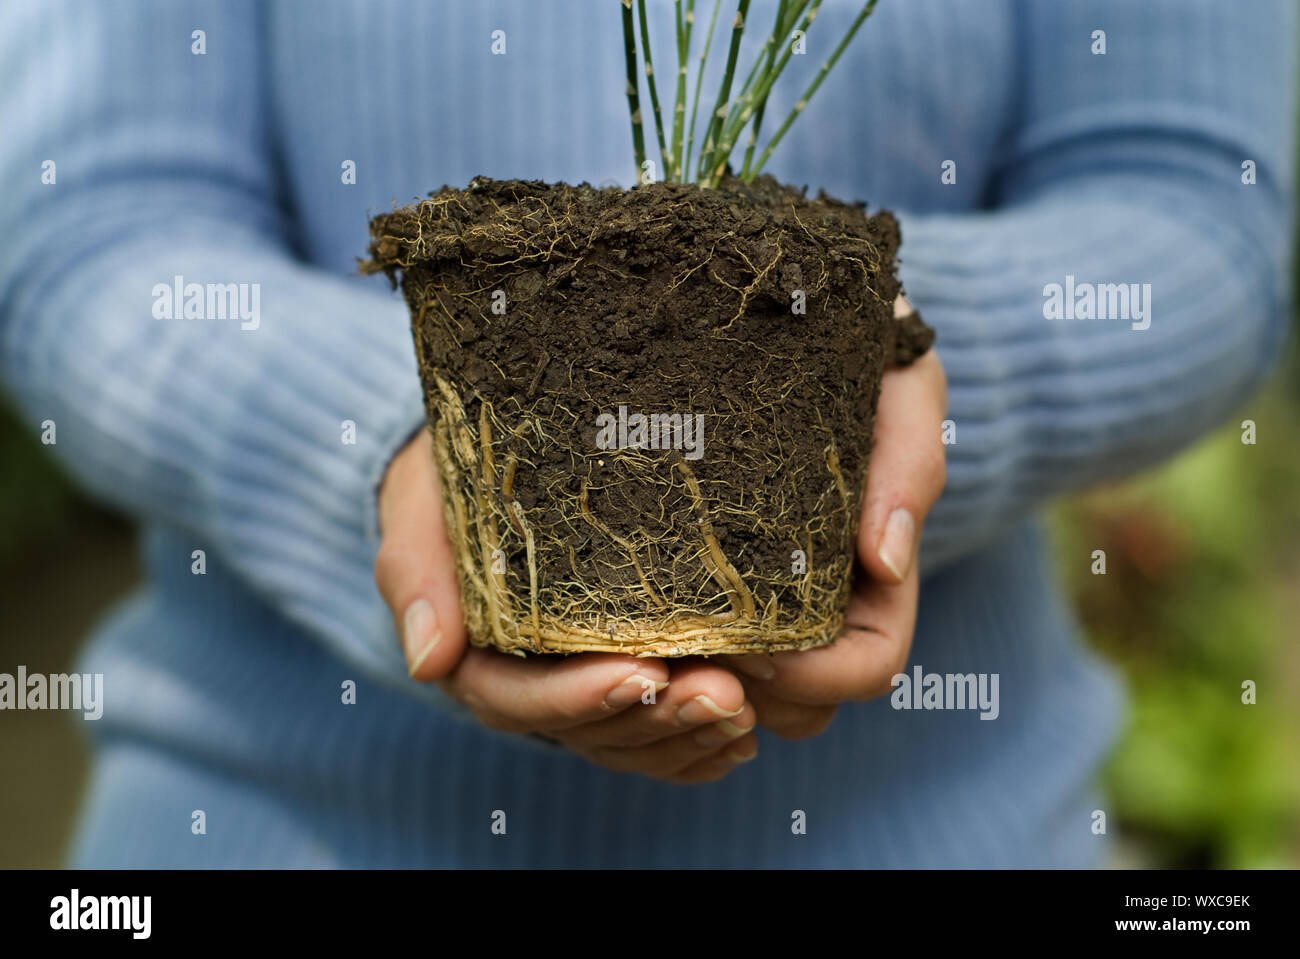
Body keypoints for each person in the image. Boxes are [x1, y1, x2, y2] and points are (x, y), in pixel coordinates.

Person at [0, 0, 1292, 867]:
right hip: (267, 832)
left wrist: (896, 360)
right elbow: (82, 239)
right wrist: (402, 440)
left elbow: (1202, 212)